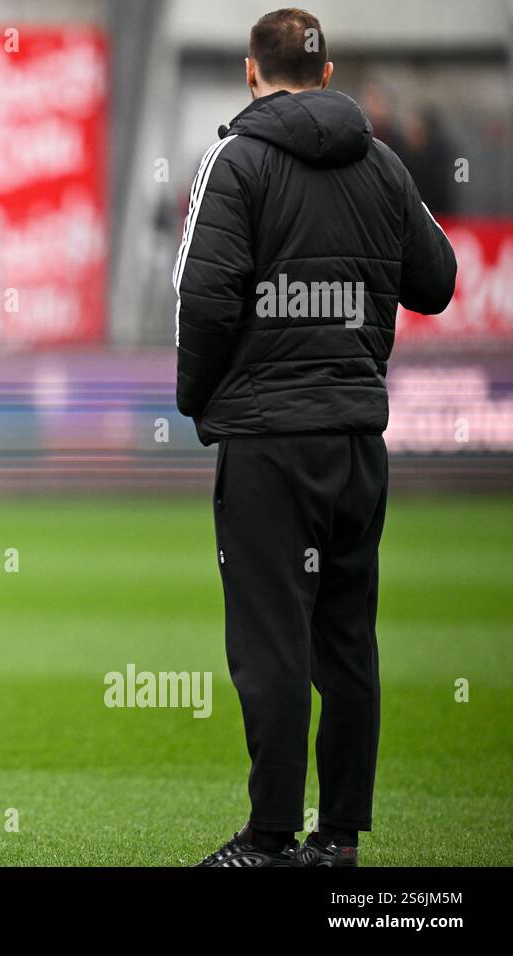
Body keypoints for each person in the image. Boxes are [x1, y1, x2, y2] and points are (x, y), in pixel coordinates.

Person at [172, 9, 456, 867]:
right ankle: (338, 840)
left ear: (251, 72)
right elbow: (437, 283)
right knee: (347, 642)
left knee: (271, 647)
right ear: (329, 76)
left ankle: (267, 837)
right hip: (355, 439)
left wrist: (198, 402)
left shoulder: (235, 159)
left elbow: (206, 296)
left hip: (267, 439)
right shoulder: (383, 162)